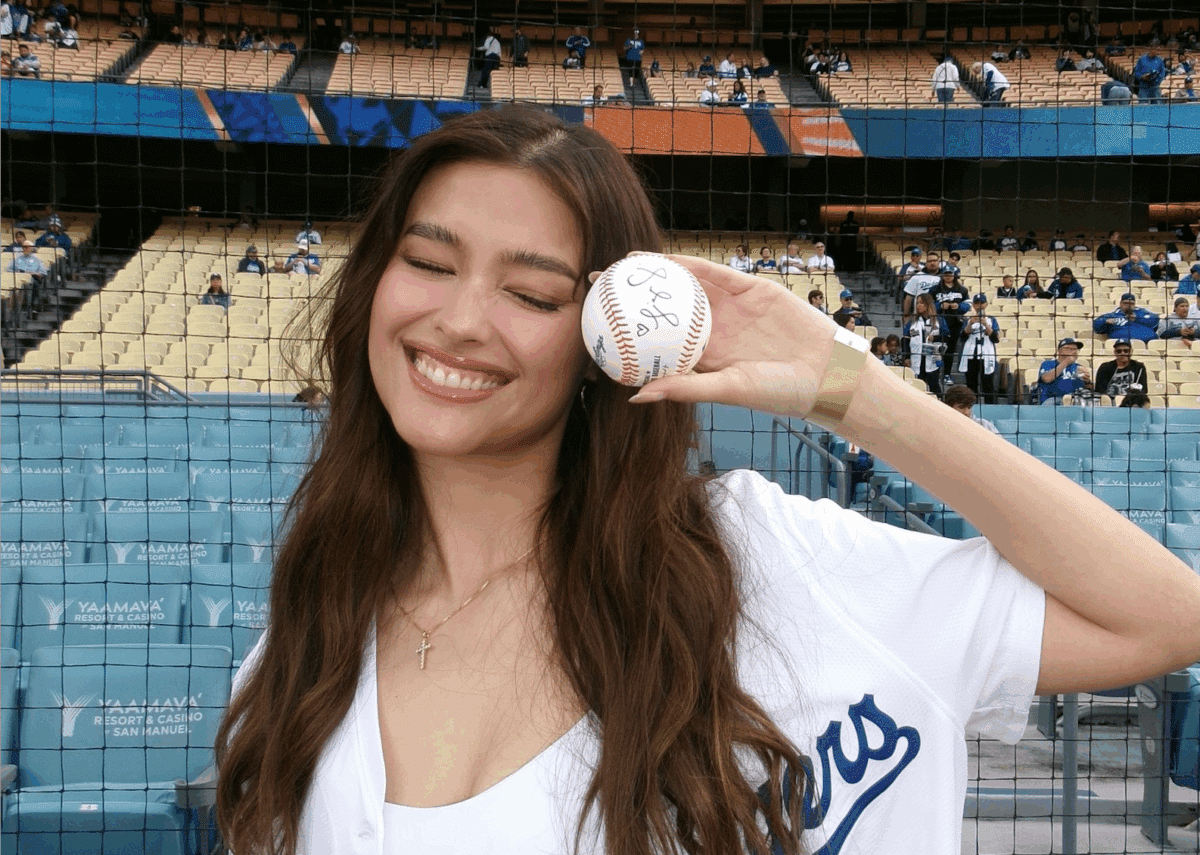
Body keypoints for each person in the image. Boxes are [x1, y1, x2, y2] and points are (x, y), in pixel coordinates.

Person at [215, 105, 1200, 855]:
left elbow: (1161, 616)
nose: (463, 319)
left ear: (603, 343)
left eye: (530, 292)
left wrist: (850, 390)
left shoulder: (766, 557)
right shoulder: (294, 664)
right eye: (427, 262)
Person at [957, 295, 1000, 405]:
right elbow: (962, 337)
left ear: (986, 304)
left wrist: (985, 324)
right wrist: (971, 323)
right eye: (976, 303)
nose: (979, 306)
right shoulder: (967, 320)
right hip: (971, 354)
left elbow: (996, 338)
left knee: (988, 384)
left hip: (986, 354)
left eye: (981, 303)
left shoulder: (991, 319)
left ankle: (990, 408)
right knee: (971, 384)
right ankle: (972, 407)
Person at [903, 293, 948, 394]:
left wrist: (934, 337)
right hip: (916, 358)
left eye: (922, 303)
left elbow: (947, 337)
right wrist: (906, 357)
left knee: (934, 385)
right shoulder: (911, 322)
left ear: (928, 305)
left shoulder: (939, 321)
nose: (919, 305)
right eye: (917, 303)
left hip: (933, 358)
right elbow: (905, 340)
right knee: (917, 385)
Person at [931, 269, 969, 368]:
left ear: (955, 275)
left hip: (955, 322)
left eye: (950, 274)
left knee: (950, 350)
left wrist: (958, 306)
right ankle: (936, 371)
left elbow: (968, 305)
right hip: (939, 322)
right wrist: (940, 305)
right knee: (937, 348)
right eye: (946, 274)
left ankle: (947, 374)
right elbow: (929, 305)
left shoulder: (962, 289)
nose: (948, 276)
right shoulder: (934, 289)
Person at [1037, 338, 1092, 405]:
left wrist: (1087, 381)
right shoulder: (1048, 363)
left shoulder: (1079, 367)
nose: (1074, 352)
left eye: (1075, 349)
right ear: (1060, 351)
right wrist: (1065, 362)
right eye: (1069, 349)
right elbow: (1047, 379)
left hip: (1076, 400)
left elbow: (1090, 389)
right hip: (1054, 399)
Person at [1092, 292, 1159, 342]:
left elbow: (1155, 320)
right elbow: (1096, 326)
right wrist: (1105, 321)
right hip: (1121, 346)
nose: (1128, 306)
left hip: (1146, 344)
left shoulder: (1142, 313)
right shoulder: (1113, 315)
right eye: (1125, 303)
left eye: (1131, 304)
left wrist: (1137, 318)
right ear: (1120, 303)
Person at [901, 251, 943, 323]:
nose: (932, 263)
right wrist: (906, 315)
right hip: (920, 316)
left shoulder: (945, 276)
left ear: (939, 262)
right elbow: (909, 297)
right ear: (926, 263)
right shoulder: (917, 276)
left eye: (934, 261)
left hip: (940, 315)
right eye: (929, 261)